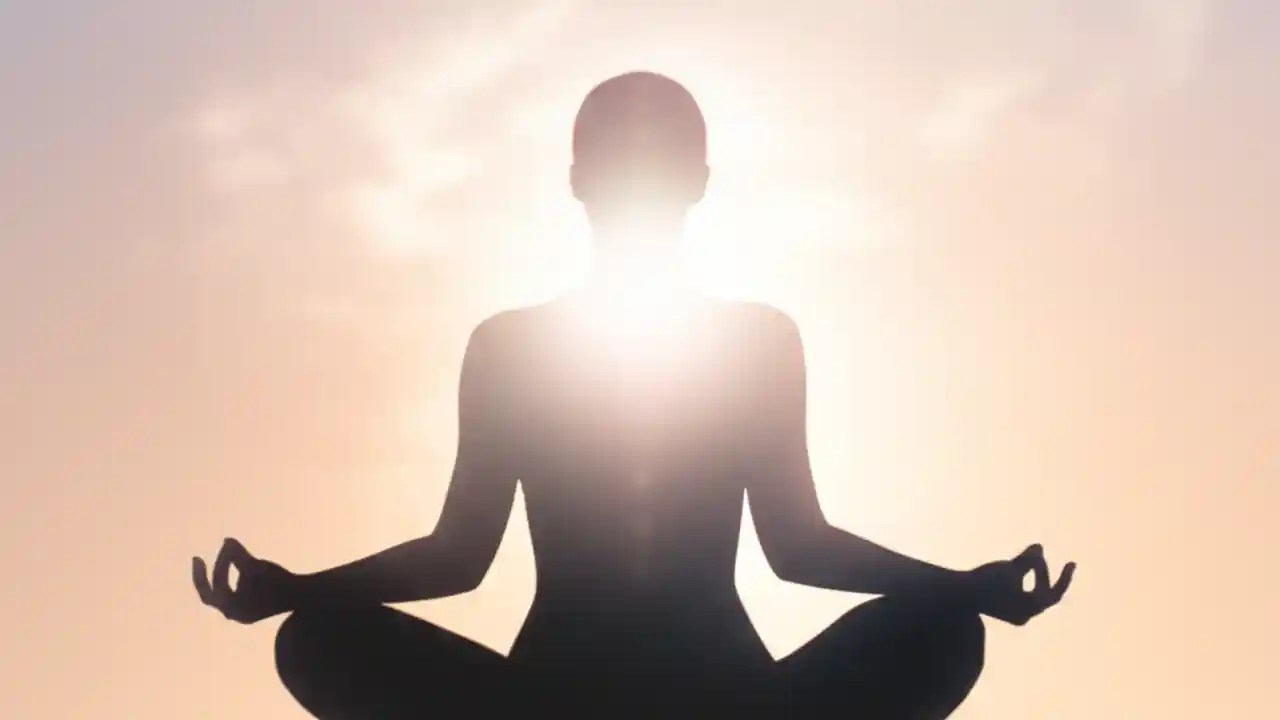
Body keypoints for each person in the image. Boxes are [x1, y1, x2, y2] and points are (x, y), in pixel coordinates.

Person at [192, 71, 1074, 718]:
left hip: (600, 696)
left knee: (951, 623)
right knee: (310, 633)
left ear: (580, 180)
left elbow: (459, 558)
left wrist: (964, 589)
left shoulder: (558, 346)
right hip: (690, 695)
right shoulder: (698, 342)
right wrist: (963, 586)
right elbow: (797, 548)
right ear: (697, 184)